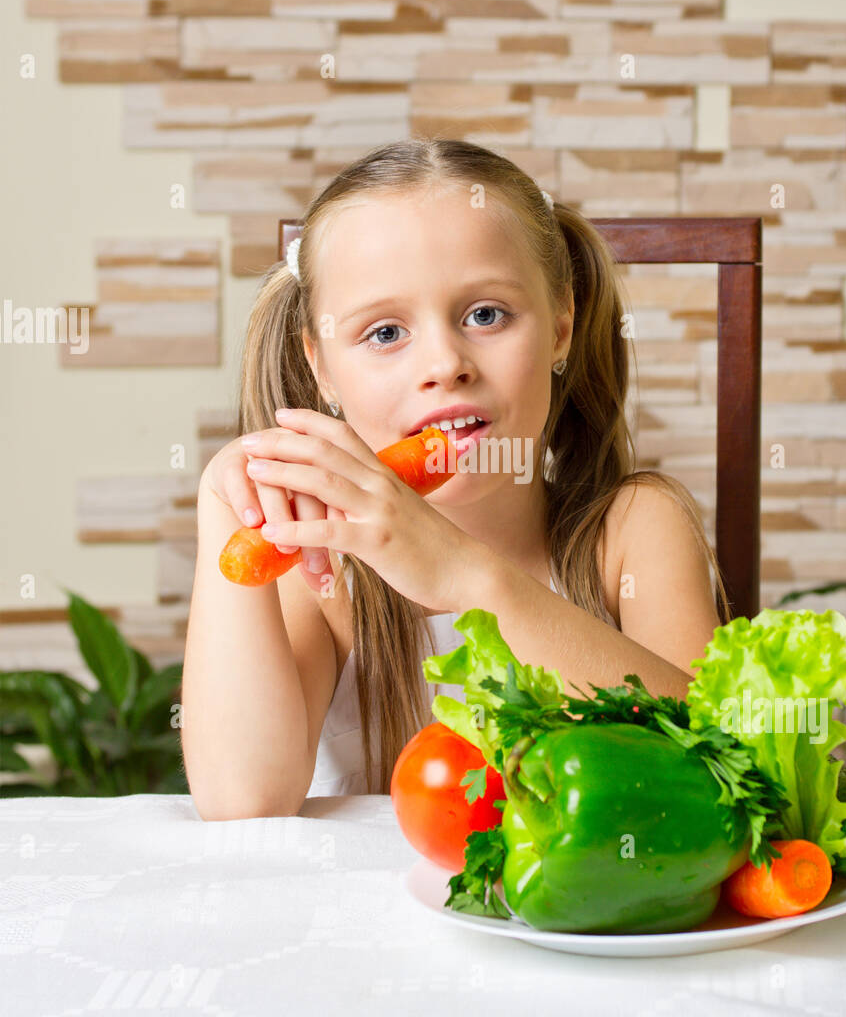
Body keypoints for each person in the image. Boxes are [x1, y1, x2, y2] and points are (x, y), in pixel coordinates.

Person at [181, 138, 730, 817]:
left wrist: (465, 578)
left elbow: (724, 767)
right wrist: (221, 509)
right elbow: (244, 802)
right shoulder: (318, 567)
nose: (445, 362)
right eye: (384, 333)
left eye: (485, 315)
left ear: (561, 327)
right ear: (321, 367)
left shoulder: (634, 528)